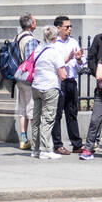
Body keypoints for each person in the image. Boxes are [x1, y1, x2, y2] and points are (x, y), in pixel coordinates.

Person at [31, 24, 73, 160]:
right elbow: (62, 74)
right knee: (48, 119)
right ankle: (46, 149)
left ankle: (35, 149)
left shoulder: (38, 49)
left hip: (36, 85)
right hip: (50, 86)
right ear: (55, 38)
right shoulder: (54, 51)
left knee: (36, 119)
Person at [51, 15, 84, 155]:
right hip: (59, 81)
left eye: (70, 27)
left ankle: (76, 144)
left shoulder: (73, 42)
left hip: (71, 80)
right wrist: (68, 58)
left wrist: (78, 60)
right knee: (57, 114)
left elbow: (81, 64)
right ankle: (57, 144)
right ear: (58, 28)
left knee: (72, 113)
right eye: (67, 27)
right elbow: (53, 64)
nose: (69, 29)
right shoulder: (53, 44)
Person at [15, 13, 38, 152]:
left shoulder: (18, 37)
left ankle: (23, 138)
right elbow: (31, 59)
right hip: (28, 77)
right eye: (34, 21)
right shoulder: (30, 39)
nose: (36, 23)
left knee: (22, 109)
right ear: (30, 24)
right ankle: (35, 140)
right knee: (31, 109)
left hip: (19, 76)